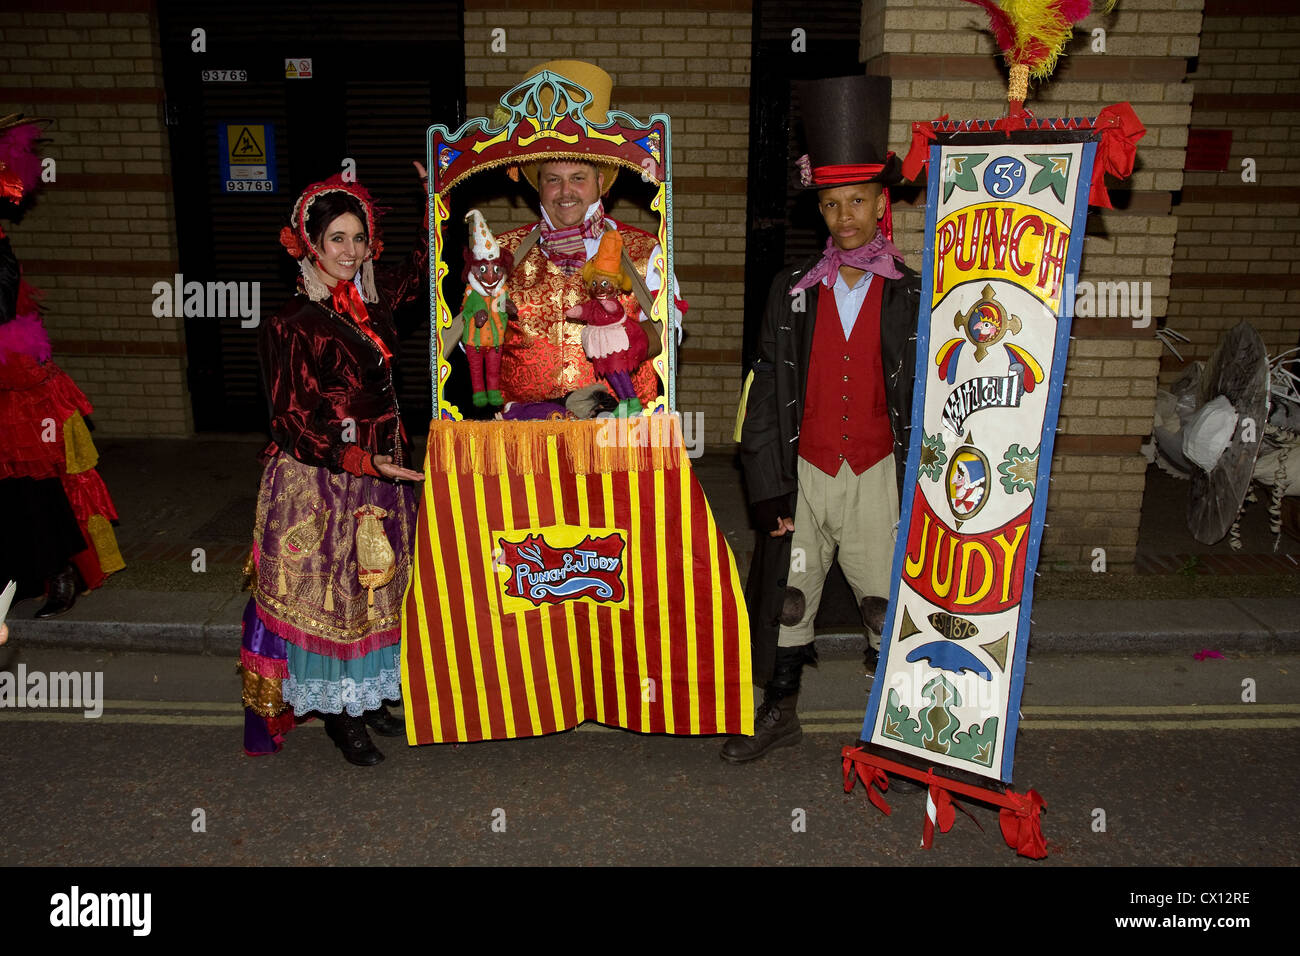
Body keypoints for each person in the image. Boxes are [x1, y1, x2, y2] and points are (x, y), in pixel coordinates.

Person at [723, 75, 920, 763]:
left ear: (879, 204)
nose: (845, 217)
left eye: (857, 202)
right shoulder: (793, 291)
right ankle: (780, 712)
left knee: (884, 607)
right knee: (790, 598)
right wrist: (767, 485)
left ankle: (900, 732)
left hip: (878, 475)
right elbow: (764, 389)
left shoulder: (913, 296)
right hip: (806, 474)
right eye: (833, 205)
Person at [237, 164, 427, 766]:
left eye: (358, 238)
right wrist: (359, 457)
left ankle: (368, 699)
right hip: (322, 480)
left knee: (377, 586)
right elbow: (290, 424)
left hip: (382, 474)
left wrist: (431, 196)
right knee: (336, 595)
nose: (349, 251)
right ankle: (342, 718)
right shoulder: (290, 324)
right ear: (310, 245)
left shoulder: (371, 302)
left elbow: (426, 263)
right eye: (336, 239)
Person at [492, 60, 685, 418]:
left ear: (601, 183)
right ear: (539, 186)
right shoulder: (500, 252)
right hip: (524, 439)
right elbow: (467, 340)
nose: (565, 192)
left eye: (578, 177)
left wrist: (634, 340)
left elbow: (670, 329)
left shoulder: (645, 251)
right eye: (553, 179)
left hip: (618, 435)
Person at [0, 114, 124, 618]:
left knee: (34, 486)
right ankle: (22, 574)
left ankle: (60, 573)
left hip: (15, 383)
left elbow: (2, 308)